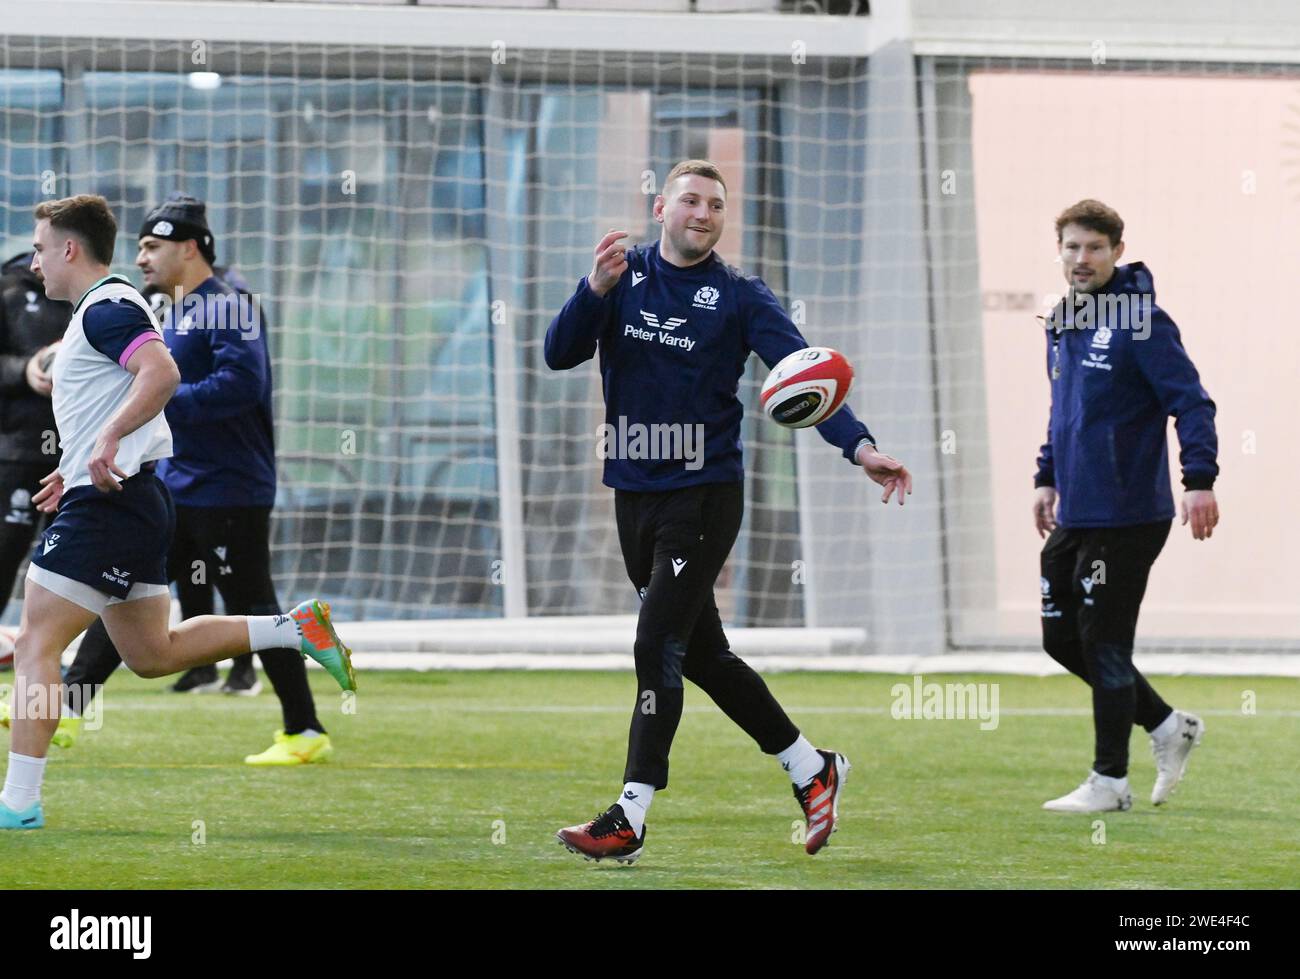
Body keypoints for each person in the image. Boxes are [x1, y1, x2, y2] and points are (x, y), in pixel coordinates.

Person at [545, 160, 912, 863]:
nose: (704, 212)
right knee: (705, 655)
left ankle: (630, 814)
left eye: (716, 203)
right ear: (662, 206)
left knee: (656, 646)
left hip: (705, 494)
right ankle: (813, 767)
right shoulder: (621, 278)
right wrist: (591, 289)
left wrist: (859, 446)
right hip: (633, 493)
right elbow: (558, 353)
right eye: (690, 200)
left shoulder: (741, 296)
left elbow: (808, 372)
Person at [0, 194, 354, 831]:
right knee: (153, 653)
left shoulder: (108, 306)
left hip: (113, 504)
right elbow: (123, 393)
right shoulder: (110, 306)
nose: (34, 262)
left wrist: (106, 442)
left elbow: (159, 375)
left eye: (40, 248)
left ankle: (18, 804)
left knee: (35, 643)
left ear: (69, 250)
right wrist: (78, 458)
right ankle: (295, 629)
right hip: (134, 498)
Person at [1034, 199, 1218, 813]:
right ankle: (1167, 725)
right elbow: (1066, 414)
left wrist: (1199, 477)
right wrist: (1046, 476)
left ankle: (1110, 782)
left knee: (1105, 641)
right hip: (1077, 511)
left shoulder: (1143, 322)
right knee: (1061, 640)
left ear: (1116, 250)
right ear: (1059, 251)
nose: (1081, 259)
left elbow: (1192, 402)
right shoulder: (1062, 320)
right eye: (1071, 247)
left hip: (1130, 515)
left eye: (1093, 247)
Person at [0, 250, 71, 620]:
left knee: (64, 565)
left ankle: (47, 653)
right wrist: (25, 369)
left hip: (75, 455)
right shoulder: (8, 290)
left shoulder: (90, 299)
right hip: (17, 451)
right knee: (6, 550)